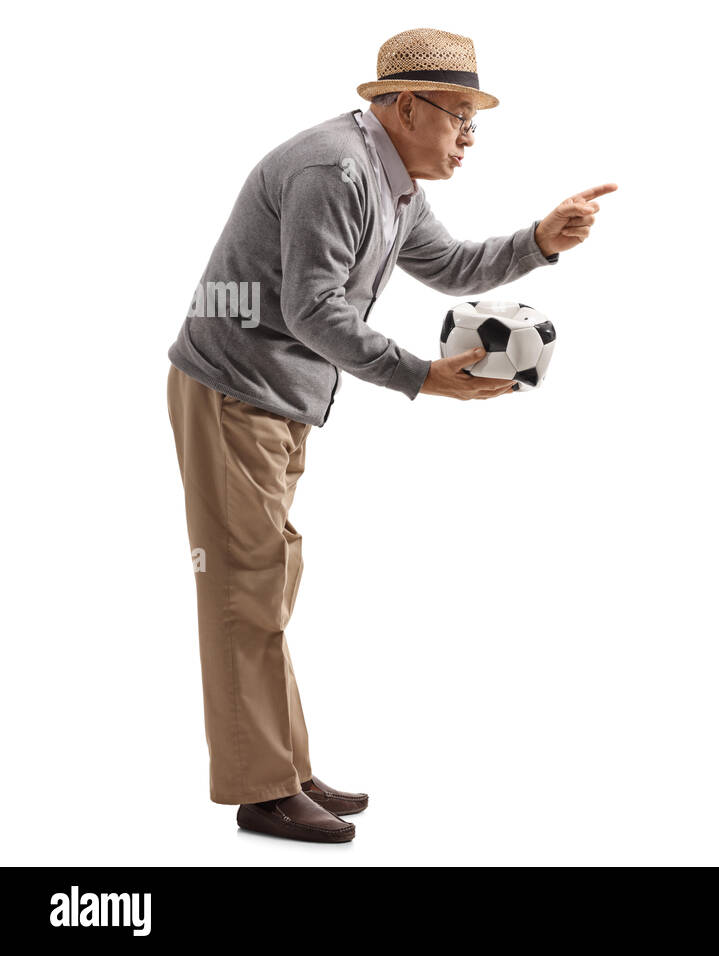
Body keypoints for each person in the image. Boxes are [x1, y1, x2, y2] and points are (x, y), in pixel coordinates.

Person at [165, 27, 616, 843]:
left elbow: (448, 265)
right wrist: (420, 375)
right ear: (403, 106)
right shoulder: (333, 172)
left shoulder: (391, 177)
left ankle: (284, 765)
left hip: (278, 398)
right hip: (232, 391)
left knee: (266, 579)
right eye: (458, 117)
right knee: (244, 588)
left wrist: (541, 242)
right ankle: (261, 788)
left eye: (476, 122)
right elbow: (313, 308)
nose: (469, 138)